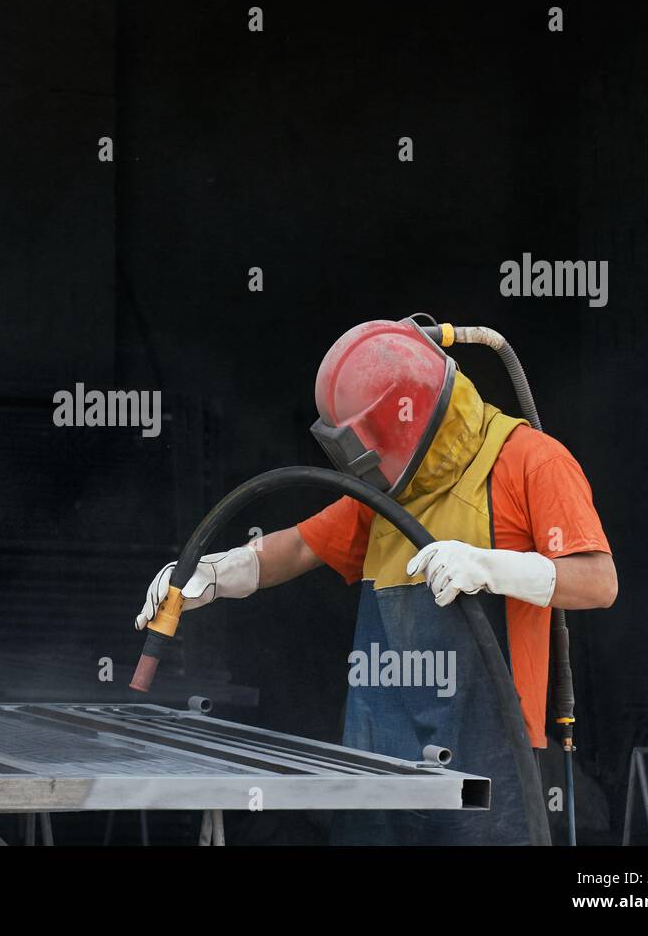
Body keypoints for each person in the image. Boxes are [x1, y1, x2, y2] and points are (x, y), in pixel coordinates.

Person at [134, 317, 617, 844]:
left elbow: (598, 581)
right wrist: (216, 573)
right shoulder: (390, 488)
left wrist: (491, 566)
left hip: (488, 759)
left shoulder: (533, 461)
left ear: (411, 422)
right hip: (377, 757)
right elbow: (298, 545)